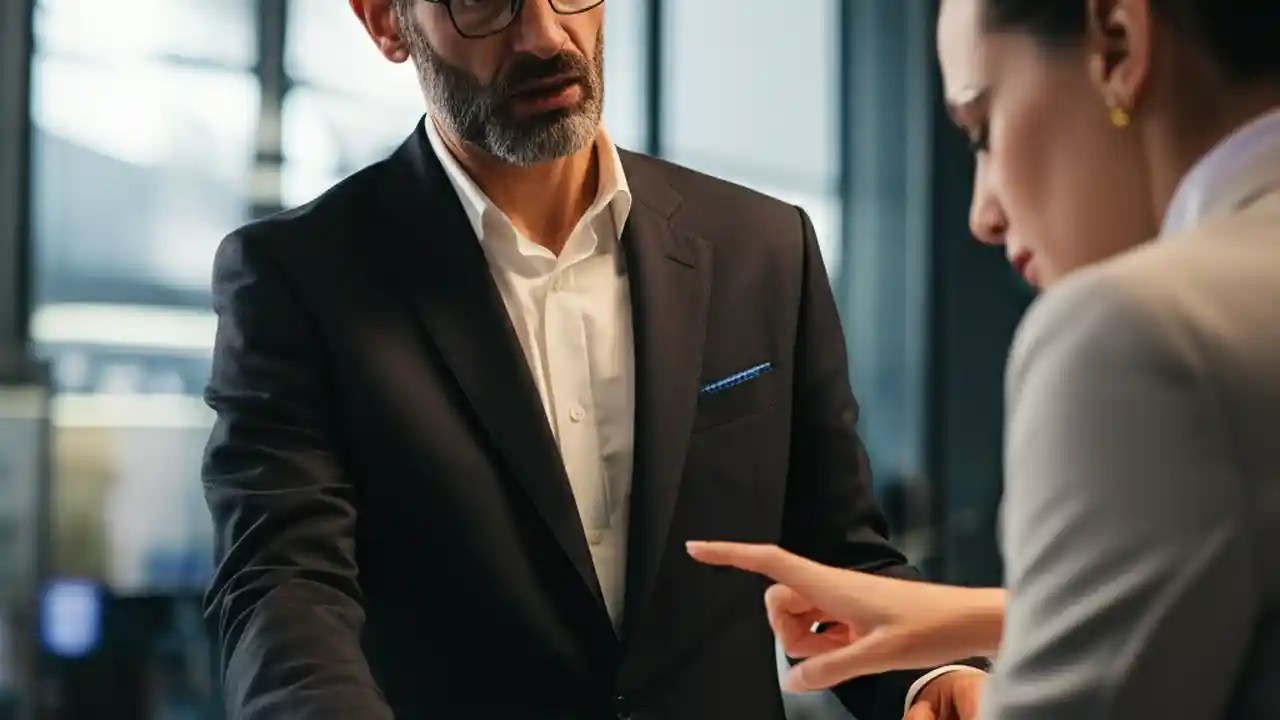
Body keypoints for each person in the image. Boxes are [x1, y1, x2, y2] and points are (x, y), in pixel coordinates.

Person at [200, 0, 986, 717]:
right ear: (385, 22)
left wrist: (929, 677)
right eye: (482, 4)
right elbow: (284, 587)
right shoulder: (300, 278)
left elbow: (837, 555)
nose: (545, 34)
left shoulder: (762, 247)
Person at [689, 0, 1280, 718]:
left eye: (981, 130)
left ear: (1118, 44)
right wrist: (991, 615)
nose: (983, 214)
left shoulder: (1135, 336)